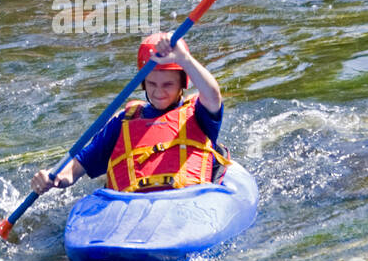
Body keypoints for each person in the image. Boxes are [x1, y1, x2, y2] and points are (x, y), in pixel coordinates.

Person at [32, 33, 228, 196]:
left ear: (182, 84)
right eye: (152, 84)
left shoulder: (199, 115)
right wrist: (54, 178)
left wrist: (183, 59)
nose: (159, 92)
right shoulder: (123, 122)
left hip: (186, 202)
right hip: (131, 209)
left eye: (168, 84)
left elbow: (213, 95)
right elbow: (77, 166)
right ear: (143, 83)